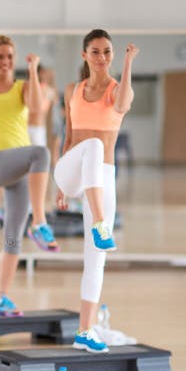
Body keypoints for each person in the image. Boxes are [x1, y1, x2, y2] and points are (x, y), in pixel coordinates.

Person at [55, 29, 138, 353]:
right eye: (95, 51)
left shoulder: (119, 91)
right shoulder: (72, 90)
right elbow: (69, 136)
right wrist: (60, 186)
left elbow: (124, 101)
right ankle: (101, 223)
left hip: (102, 177)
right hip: (71, 167)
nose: (101, 57)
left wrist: (129, 62)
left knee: (96, 258)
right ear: (84, 55)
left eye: (107, 52)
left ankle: (85, 331)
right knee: (91, 144)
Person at [0, 35, 59, 316]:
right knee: (41, 153)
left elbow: (36, 108)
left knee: (12, 237)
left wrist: (32, 70)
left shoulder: (23, 87)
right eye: (0, 57)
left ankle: (1, 297)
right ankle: (40, 222)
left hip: (18, 166)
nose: (5, 62)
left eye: (9, 57)